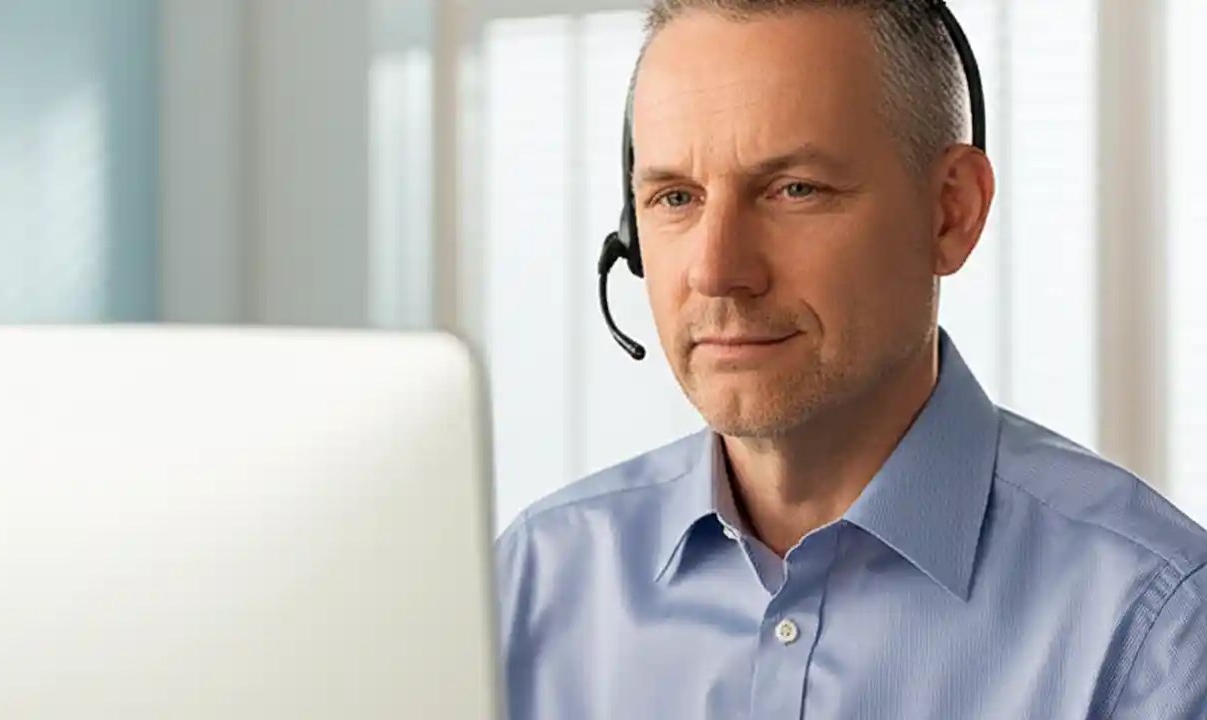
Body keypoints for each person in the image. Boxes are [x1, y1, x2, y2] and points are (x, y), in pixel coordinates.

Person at [494, 1, 1207, 718]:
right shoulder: (532, 582)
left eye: (794, 190)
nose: (716, 271)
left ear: (951, 213)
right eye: (675, 197)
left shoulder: (1155, 629)